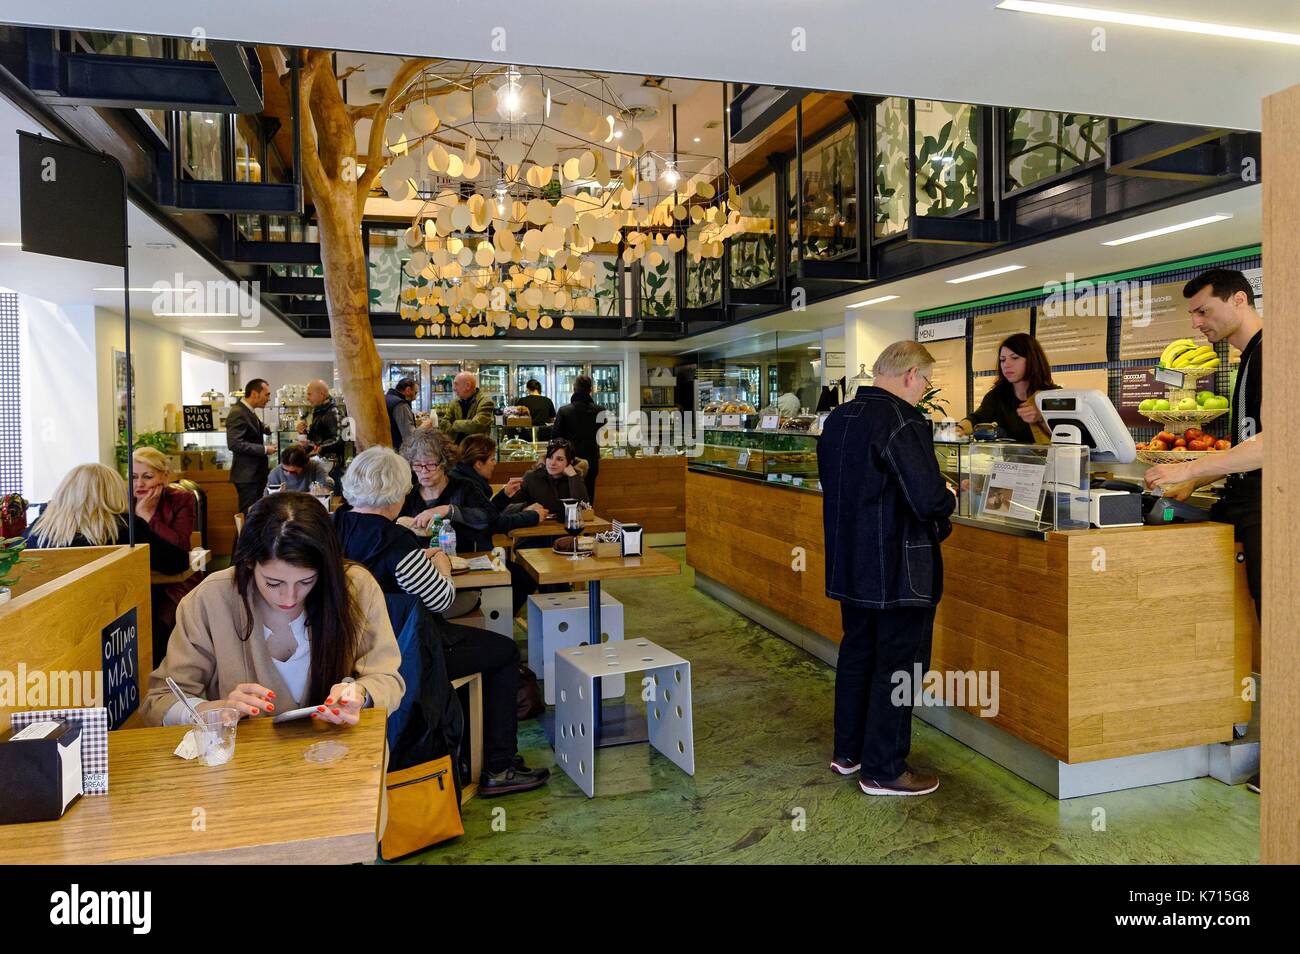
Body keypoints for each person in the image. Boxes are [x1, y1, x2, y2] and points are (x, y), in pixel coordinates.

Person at [333, 447, 549, 796]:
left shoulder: (334, 526)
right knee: (504, 652)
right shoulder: (397, 543)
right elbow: (441, 600)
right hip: (405, 654)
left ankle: (467, 750)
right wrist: (442, 566)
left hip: (345, 651)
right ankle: (499, 766)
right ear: (399, 493)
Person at [817, 340, 957, 797]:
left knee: (858, 654)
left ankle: (849, 752)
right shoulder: (903, 420)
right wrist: (948, 500)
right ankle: (885, 769)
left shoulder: (837, 419)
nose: (925, 390)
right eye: (927, 381)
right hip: (900, 568)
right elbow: (927, 497)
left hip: (850, 563)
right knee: (899, 666)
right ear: (911, 375)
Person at [142, 492, 404, 729]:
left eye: (306, 581)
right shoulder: (211, 599)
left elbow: (387, 678)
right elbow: (161, 701)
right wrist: (213, 709)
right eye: (273, 583)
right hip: (246, 769)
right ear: (248, 563)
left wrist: (360, 694)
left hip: (344, 761)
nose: (289, 597)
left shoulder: (355, 588)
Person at [24, 463, 190, 575]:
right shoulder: (125, 527)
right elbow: (178, 562)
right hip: (114, 619)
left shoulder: (38, 529)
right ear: (113, 492)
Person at [132, 447, 203, 665]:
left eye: (147, 477)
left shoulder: (181, 498)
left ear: (165, 476)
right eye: (134, 477)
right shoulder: (121, 498)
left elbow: (179, 546)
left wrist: (145, 517)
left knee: (161, 621)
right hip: (138, 580)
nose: (139, 484)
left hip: (175, 580)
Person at [399, 427, 498, 552]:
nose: (424, 471)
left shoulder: (465, 488)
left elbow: (491, 518)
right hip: (425, 567)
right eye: (417, 465)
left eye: (430, 464)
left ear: (444, 463)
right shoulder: (408, 496)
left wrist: (448, 510)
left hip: (466, 562)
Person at [957, 333, 1059, 443]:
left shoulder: (1055, 396)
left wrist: (1041, 418)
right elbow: (977, 419)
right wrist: (959, 429)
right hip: (1008, 460)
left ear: (1032, 359)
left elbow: (1071, 437)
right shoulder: (997, 396)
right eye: (1002, 360)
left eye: (1015, 358)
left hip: (1050, 460)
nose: (1006, 364)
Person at [227, 378, 275, 515]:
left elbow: (258, 428)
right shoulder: (238, 412)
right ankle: (243, 537)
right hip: (247, 476)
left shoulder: (248, 411)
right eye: (267, 394)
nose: (269, 399)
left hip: (254, 475)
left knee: (254, 514)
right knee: (249, 515)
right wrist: (265, 449)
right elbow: (235, 443)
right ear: (255, 394)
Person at [552, 374, 601, 503]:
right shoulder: (600, 411)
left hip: (570, 461)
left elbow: (555, 438)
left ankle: (571, 521)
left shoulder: (564, 411)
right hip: (592, 461)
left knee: (568, 498)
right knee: (588, 499)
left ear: (574, 389)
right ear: (590, 390)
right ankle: (588, 519)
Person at [512, 437, 590, 518]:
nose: (552, 463)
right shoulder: (531, 477)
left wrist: (573, 477)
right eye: (550, 457)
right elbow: (511, 507)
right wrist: (525, 509)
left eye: (559, 459)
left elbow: (584, 509)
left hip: (566, 527)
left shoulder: (574, 478)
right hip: (536, 527)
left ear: (570, 462)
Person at [298, 379, 344, 484]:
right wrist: (304, 433)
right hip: (321, 463)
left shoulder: (332, 412)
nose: (307, 398)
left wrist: (320, 447)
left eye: (310, 394)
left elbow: (338, 439)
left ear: (322, 394)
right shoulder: (319, 410)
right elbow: (317, 437)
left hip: (329, 466)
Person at [440, 371, 495, 444]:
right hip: (456, 449)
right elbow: (443, 424)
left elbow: (477, 426)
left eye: (456, 384)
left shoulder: (485, 402)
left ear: (468, 386)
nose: (453, 388)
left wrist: (455, 423)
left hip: (476, 450)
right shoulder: (454, 402)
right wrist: (469, 424)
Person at [267, 445, 335, 493]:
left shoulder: (314, 467)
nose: (287, 474)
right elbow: (267, 498)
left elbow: (328, 484)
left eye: (292, 472)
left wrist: (323, 489)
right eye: (284, 470)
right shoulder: (275, 473)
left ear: (304, 465)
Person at [386, 377, 419, 453]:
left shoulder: (387, 398)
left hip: (388, 449)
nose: (415, 398)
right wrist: (423, 428)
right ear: (408, 390)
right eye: (415, 393)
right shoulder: (400, 405)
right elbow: (409, 435)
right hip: (398, 451)